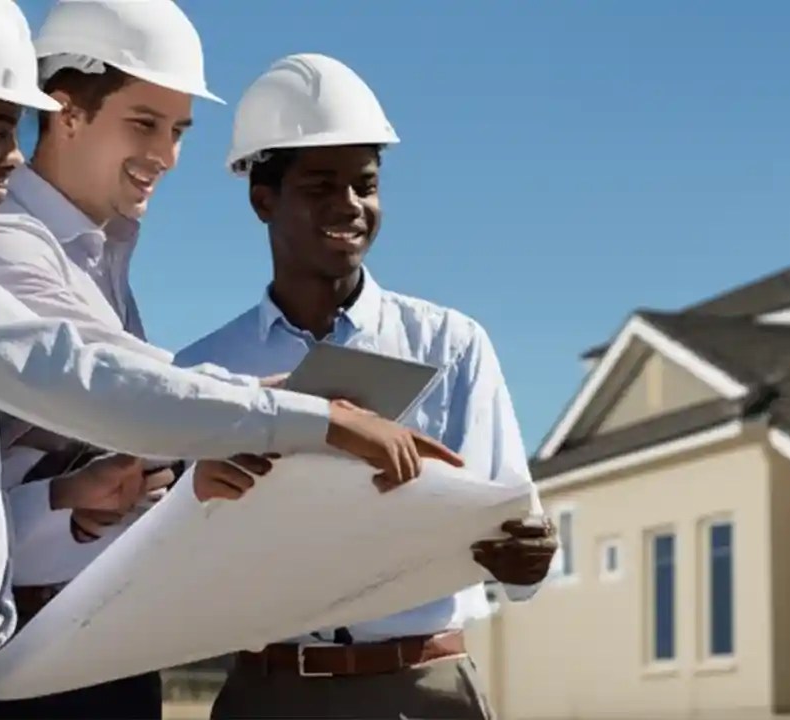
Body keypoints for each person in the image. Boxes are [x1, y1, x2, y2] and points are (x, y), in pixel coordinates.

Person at [0, 2, 463, 717]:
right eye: (1, 129)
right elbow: (75, 372)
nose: (19, 153)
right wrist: (314, 419)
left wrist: (70, 498)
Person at [173, 53, 558, 720]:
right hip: (269, 693)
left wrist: (528, 557)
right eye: (321, 186)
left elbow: (508, 521)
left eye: (365, 184)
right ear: (263, 198)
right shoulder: (205, 370)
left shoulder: (452, 346)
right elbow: (171, 549)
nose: (350, 205)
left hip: (422, 687)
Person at [0, 1, 262, 716]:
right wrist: (286, 411)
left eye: (179, 130)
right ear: (65, 111)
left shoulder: (102, 255)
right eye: (145, 124)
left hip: (99, 643)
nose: (168, 156)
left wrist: (78, 502)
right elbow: (128, 388)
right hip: (18, 659)